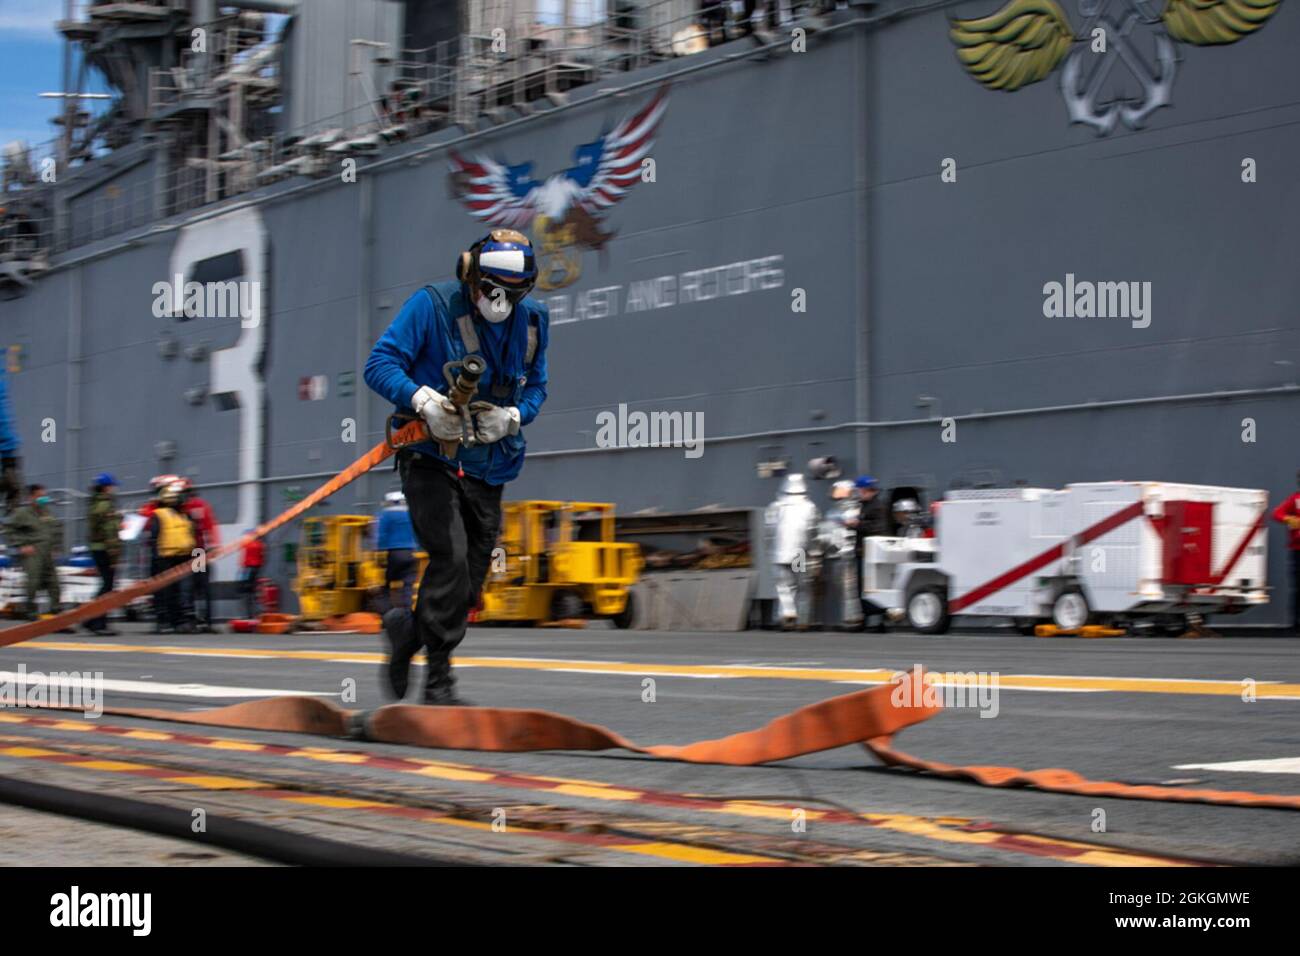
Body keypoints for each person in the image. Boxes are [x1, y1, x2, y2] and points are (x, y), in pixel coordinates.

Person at [364, 228, 548, 705]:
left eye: (512, 293)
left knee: (468, 586)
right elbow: (379, 363)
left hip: (491, 464)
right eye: (490, 289)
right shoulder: (431, 306)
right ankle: (440, 682)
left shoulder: (534, 323)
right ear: (470, 275)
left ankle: (406, 632)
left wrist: (511, 417)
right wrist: (422, 400)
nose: (498, 302)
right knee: (450, 557)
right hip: (430, 456)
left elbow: (537, 389)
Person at [766, 473, 820, 630]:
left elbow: (768, 532)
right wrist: (815, 551)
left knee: (783, 586)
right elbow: (812, 531)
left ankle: (787, 613)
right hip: (800, 553)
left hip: (779, 553)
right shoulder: (809, 507)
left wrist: (770, 550)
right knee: (803, 586)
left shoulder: (775, 507)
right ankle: (803, 620)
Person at [144, 481, 196, 633]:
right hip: (165, 558)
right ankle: (165, 621)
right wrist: (156, 559)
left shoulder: (186, 515)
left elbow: (194, 538)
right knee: (167, 591)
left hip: (184, 557)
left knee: (182, 590)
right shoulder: (160, 514)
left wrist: (197, 563)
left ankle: (181, 621)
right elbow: (154, 538)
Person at [6, 484, 62, 619]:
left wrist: (56, 547)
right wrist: (21, 545)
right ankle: (31, 612)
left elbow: (55, 529)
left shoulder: (46, 512)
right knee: (33, 582)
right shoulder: (22, 513)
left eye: (44, 496)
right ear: (31, 497)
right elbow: (8, 528)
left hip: (47, 552)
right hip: (33, 552)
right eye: (40, 496)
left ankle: (55, 612)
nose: (43, 498)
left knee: (54, 583)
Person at [178, 478, 220, 631]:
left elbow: (209, 526)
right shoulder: (200, 505)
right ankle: (205, 619)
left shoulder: (182, 508)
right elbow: (210, 526)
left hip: (189, 552)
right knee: (201, 587)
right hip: (198, 551)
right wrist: (214, 546)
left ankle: (192, 619)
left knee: (188, 587)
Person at [84, 473, 122, 634]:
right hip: (105, 549)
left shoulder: (96, 503)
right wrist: (114, 555)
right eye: (112, 486)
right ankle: (96, 622)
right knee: (107, 587)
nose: (114, 489)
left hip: (98, 547)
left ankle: (93, 620)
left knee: (105, 585)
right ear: (106, 487)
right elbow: (109, 531)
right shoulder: (105, 505)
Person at [851, 475, 889, 632]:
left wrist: (858, 524)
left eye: (859, 490)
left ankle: (876, 622)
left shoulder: (877, 506)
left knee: (871, 588)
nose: (858, 493)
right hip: (864, 552)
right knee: (864, 588)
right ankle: (867, 620)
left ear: (865, 490)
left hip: (871, 554)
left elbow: (878, 528)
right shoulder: (866, 505)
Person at [376, 491, 418, 613]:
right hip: (410, 553)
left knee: (385, 584)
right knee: (408, 585)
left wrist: (379, 552)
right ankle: (407, 612)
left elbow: (382, 535)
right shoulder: (410, 514)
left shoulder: (386, 515)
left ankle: (386, 612)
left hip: (394, 554)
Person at [1272, 469, 1300, 635]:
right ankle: (1296, 624)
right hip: (1297, 551)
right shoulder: (1295, 499)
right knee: (1298, 589)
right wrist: (1289, 519)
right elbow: (1277, 513)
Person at [0, 365, 22, 515]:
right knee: (15, 487)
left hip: (9, 457)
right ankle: (10, 514)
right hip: (9, 458)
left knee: (15, 487)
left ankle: (10, 514)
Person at [239, 532, 265, 619]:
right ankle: (257, 613)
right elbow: (262, 557)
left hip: (248, 569)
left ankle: (248, 615)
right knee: (255, 592)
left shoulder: (247, 544)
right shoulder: (260, 544)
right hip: (257, 569)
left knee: (247, 593)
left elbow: (242, 553)